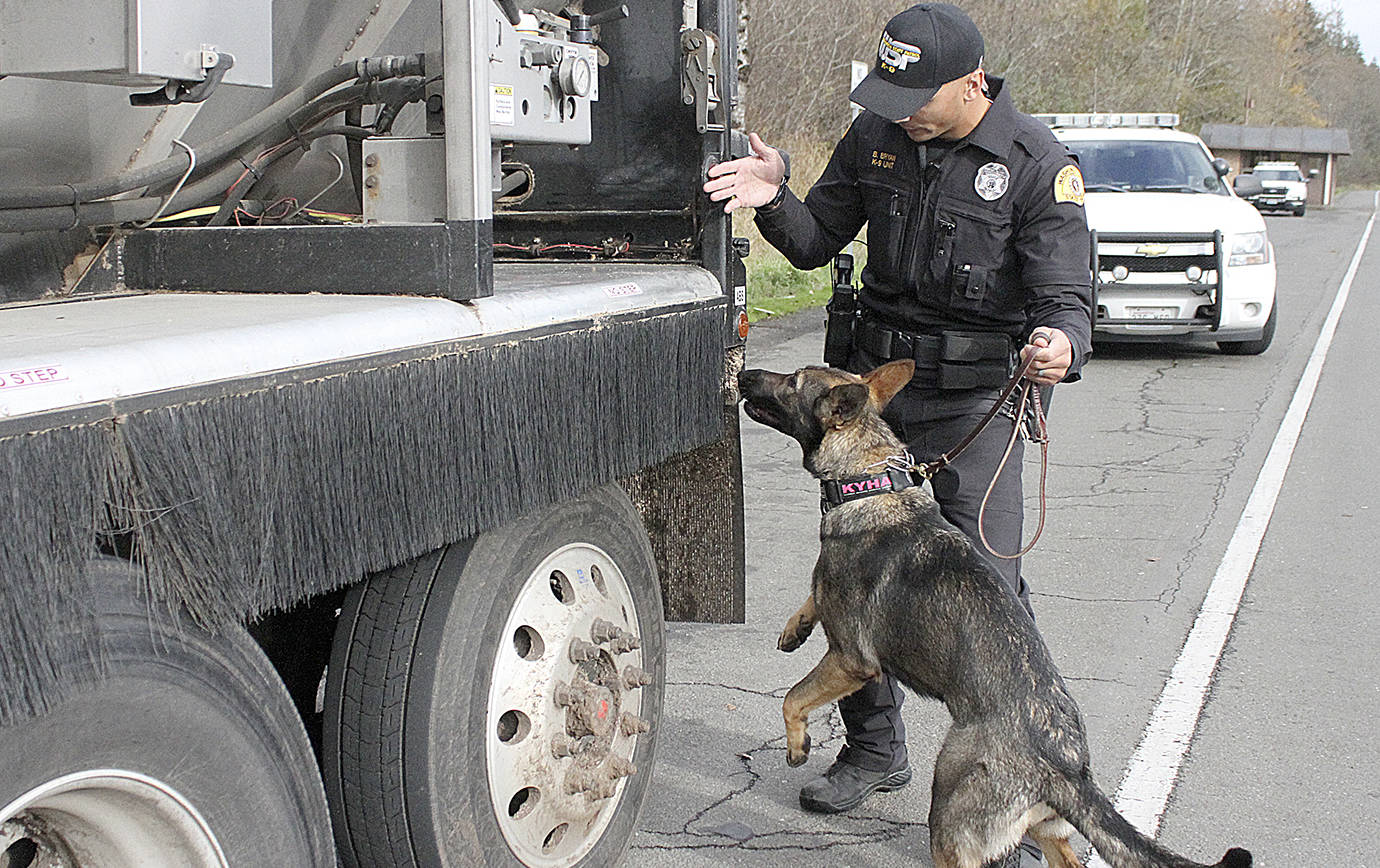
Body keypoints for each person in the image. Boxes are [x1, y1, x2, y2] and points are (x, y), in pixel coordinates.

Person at [706, 4, 1093, 866]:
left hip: (974, 402)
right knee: (854, 578)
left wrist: (1062, 343)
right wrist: (776, 197)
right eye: (890, 90)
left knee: (984, 593)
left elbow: (1068, 291)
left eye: (918, 94)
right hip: (875, 397)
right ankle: (875, 751)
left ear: (972, 83)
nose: (902, 108)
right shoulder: (877, 132)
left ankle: (1016, 787)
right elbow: (814, 243)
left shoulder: (1033, 164)